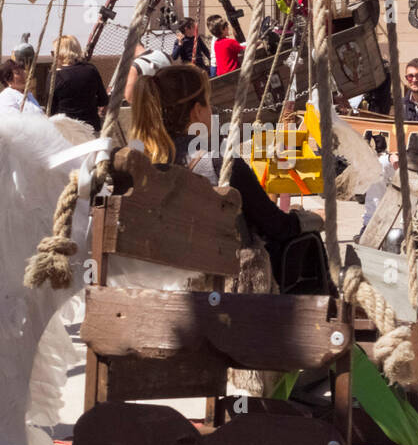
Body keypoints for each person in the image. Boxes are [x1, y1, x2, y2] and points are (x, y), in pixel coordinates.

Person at [127, 53, 323, 289]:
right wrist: (310, 219)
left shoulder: (138, 166)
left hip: (160, 283)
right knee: (308, 241)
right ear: (196, 112)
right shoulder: (221, 166)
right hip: (223, 290)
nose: (212, 111)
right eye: (209, 104)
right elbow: (276, 227)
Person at [48, 34, 108, 132]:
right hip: (91, 128)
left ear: (60, 53)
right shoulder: (91, 70)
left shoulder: (55, 76)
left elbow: (51, 108)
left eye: (53, 53)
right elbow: (103, 100)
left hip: (66, 131)